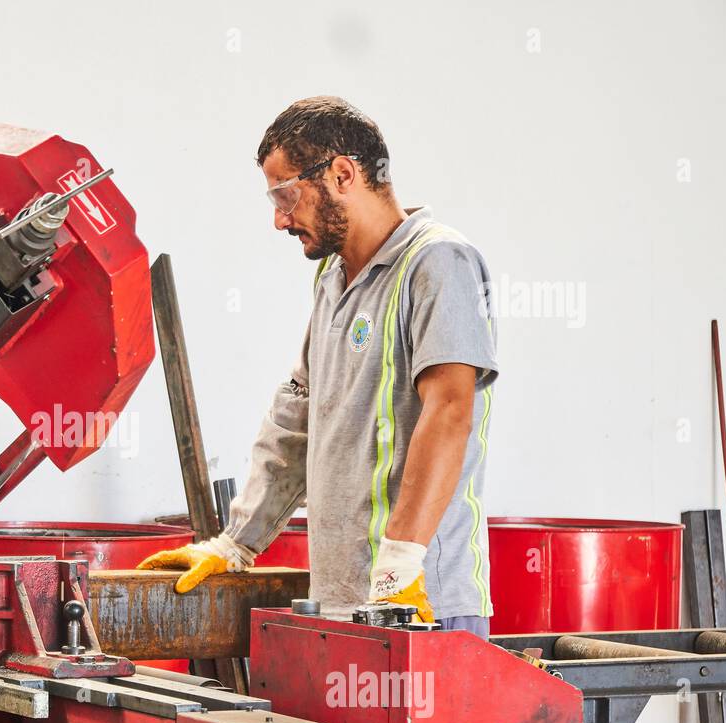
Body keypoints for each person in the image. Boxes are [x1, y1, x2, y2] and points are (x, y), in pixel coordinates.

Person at [139, 96, 498, 637]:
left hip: (422, 603)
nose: (279, 219)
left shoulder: (438, 262)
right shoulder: (332, 279)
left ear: (343, 174)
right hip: (344, 601)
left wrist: (401, 563)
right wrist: (237, 542)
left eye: (287, 195)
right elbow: (297, 414)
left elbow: (449, 412)